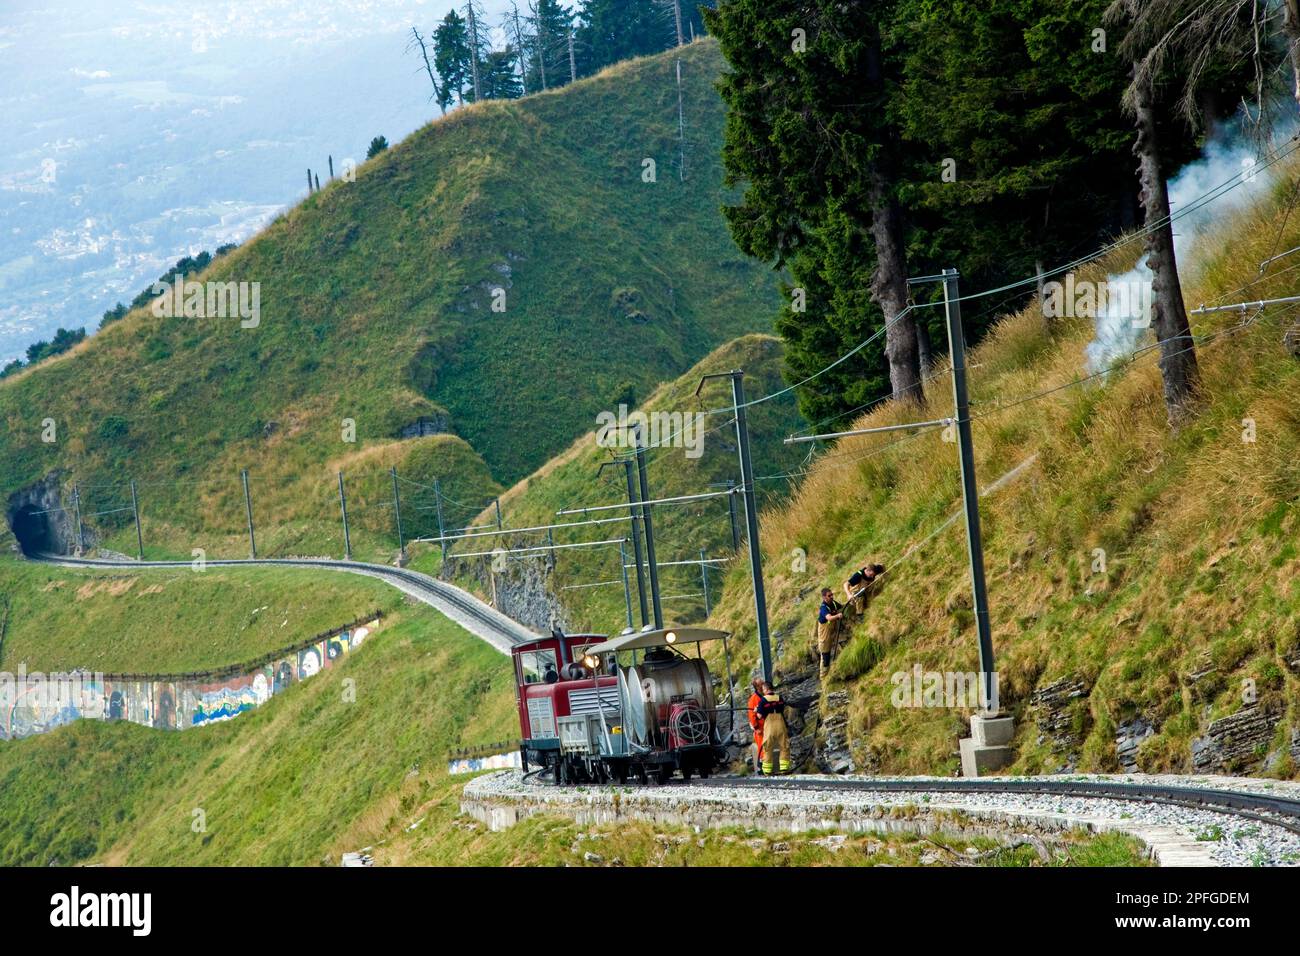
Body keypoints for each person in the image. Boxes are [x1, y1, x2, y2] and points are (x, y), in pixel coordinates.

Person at [756, 682, 791, 775]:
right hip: (781, 724)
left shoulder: (763, 700)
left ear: (766, 689)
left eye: (763, 689)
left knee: (768, 748)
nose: (763, 691)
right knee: (784, 746)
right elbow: (782, 708)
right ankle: (784, 769)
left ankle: (767, 771)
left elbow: (759, 716)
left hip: (770, 726)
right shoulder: (779, 698)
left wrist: (757, 710)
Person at [816, 588, 845, 676]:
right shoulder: (823, 607)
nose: (832, 597)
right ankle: (824, 676)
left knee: (842, 645)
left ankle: (836, 670)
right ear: (824, 597)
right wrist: (837, 616)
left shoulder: (833, 603)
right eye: (829, 596)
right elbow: (829, 618)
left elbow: (842, 607)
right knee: (825, 656)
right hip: (824, 633)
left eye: (832, 594)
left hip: (834, 631)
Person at [746, 677, 765, 774]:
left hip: (767, 726)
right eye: (762, 683)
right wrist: (756, 727)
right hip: (760, 728)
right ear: (757, 686)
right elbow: (751, 715)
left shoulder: (764, 695)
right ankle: (762, 768)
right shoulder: (753, 699)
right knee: (761, 747)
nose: (764, 684)